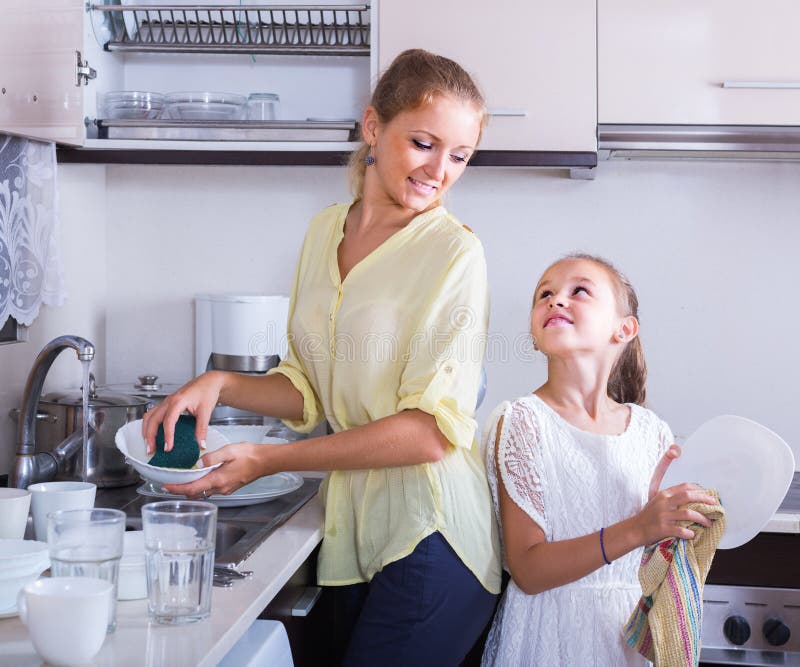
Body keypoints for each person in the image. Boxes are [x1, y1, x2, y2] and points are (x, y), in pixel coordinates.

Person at [142, 49, 501, 665]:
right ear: (372, 128)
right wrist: (219, 383)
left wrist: (268, 458)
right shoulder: (323, 231)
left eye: (460, 155)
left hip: (431, 538)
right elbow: (307, 388)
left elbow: (429, 433)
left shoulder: (453, 255)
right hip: (353, 541)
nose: (440, 169)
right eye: (423, 142)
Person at [480, 254, 718, 666]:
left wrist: (676, 526)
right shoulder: (520, 421)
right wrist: (639, 527)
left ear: (623, 329)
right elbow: (529, 571)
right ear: (535, 335)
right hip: (548, 636)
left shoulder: (652, 432)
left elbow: (657, 558)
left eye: (579, 291)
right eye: (545, 294)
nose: (556, 300)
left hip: (628, 639)